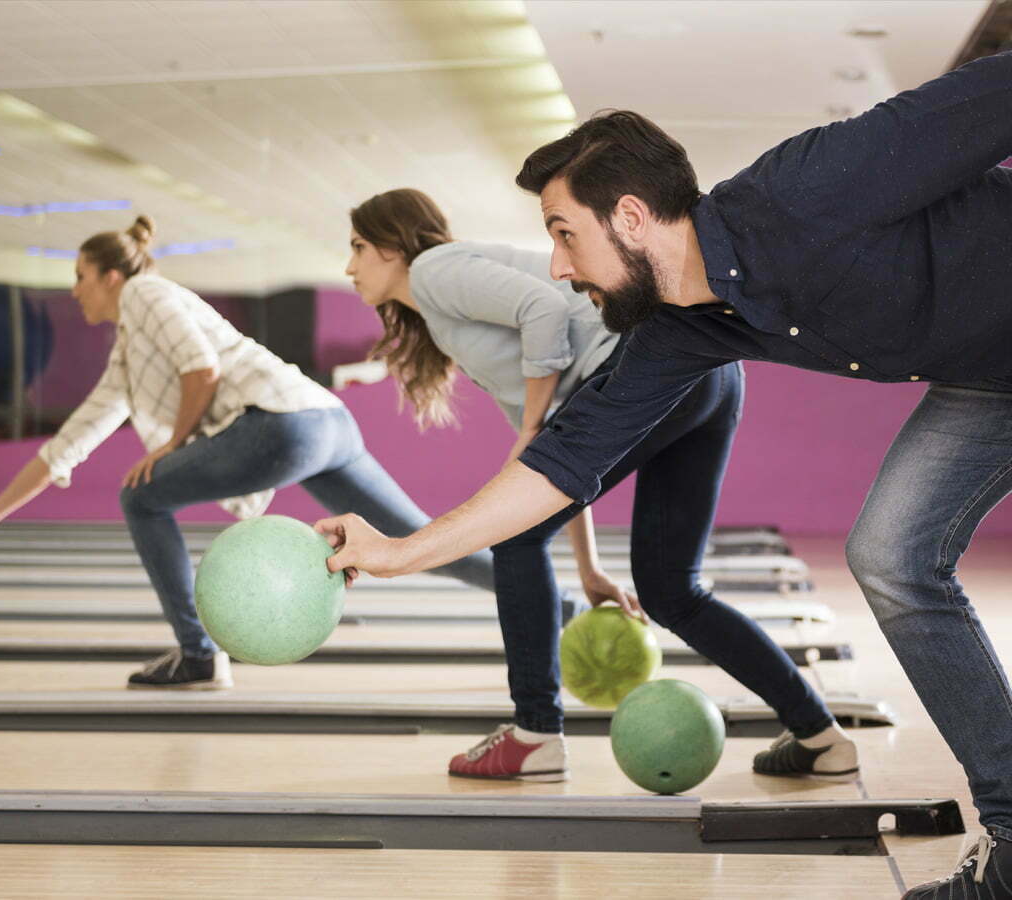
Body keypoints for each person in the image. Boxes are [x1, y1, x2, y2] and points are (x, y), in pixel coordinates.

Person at [317, 52, 1012, 899]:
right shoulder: (682, 333)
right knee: (890, 556)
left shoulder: (807, 186)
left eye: (565, 234)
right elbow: (558, 465)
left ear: (634, 217)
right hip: (987, 378)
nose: (557, 268)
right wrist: (397, 553)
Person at [345, 188, 854, 783]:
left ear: (393, 246)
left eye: (357, 248)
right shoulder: (442, 312)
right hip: (701, 369)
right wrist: (588, 569)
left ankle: (536, 733)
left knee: (513, 539)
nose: (349, 267)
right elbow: (554, 471)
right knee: (670, 592)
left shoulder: (433, 271)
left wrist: (536, 427)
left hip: (646, 365)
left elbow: (544, 312)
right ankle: (822, 738)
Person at [0, 214, 495, 689]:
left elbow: (202, 369)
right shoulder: (128, 351)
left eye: (80, 276)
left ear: (112, 277)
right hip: (327, 423)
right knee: (422, 540)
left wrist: (170, 445)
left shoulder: (146, 293)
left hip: (281, 424)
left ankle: (198, 655)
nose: (74, 291)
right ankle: (560, 603)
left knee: (142, 498)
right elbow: (69, 443)